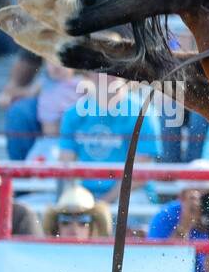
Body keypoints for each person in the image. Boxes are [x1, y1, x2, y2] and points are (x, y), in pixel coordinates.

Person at [1, 0, 107, 161]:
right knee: (18, 113)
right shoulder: (48, 19)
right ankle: (23, 189)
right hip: (54, 94)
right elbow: (19, 76)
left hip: (99, 98)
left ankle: (98, 184)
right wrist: (16, 90)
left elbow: (135, 76)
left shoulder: (118, 19)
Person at [58, 72, 163, 203]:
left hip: (130, 194)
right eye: (99, 68)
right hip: (86, 195)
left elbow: (138, 175)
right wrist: (82, 200)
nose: (106, 74)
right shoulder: (72, 114)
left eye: (113, 68)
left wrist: (102, 204)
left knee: (132, 206)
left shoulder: (143, 113)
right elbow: (66, 165)